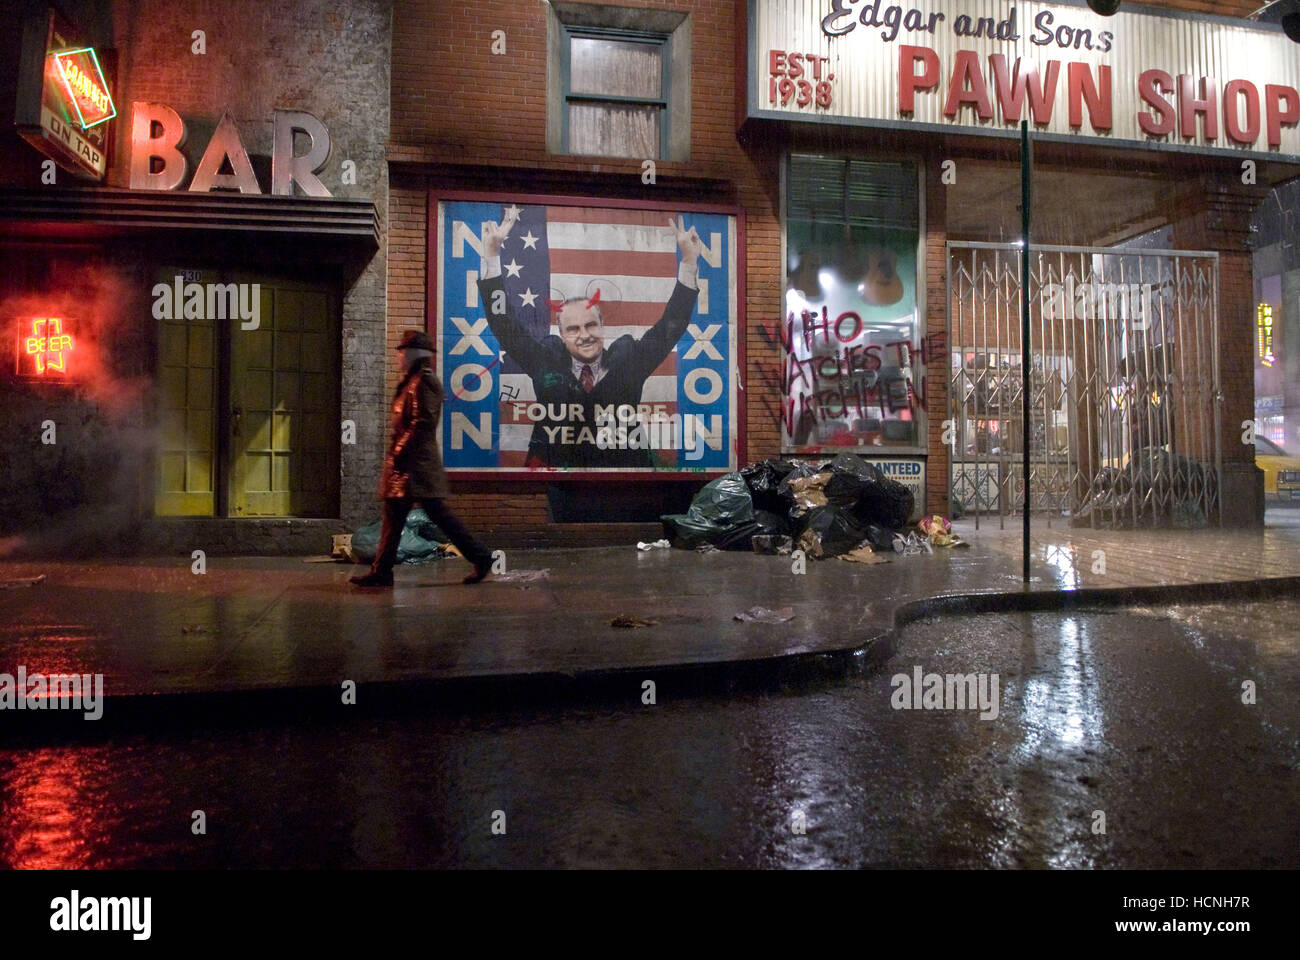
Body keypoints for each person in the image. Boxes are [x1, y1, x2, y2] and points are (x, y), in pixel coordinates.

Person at [477, 211, 704, 468]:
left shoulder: (630, 359)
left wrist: (688, 260)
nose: (584, 335)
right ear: (561, 335)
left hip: (624, 478)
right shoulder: (545, 360)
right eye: (573, 329)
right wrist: (492, 255)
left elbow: (670, 327)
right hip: (557, 478)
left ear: (602, 326)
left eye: (591, 325)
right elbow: (504, 325)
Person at [350, 329, 494, 587]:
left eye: (403, 352)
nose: (399, 356)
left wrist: (399, 452)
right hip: (409, 465)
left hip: (417, 465)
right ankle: (382, 571)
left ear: (413, 354)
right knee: (395, 517)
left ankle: (481, 556)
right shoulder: (412, 380)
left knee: (438, 515)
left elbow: (422, 423)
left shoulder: (424, 381)